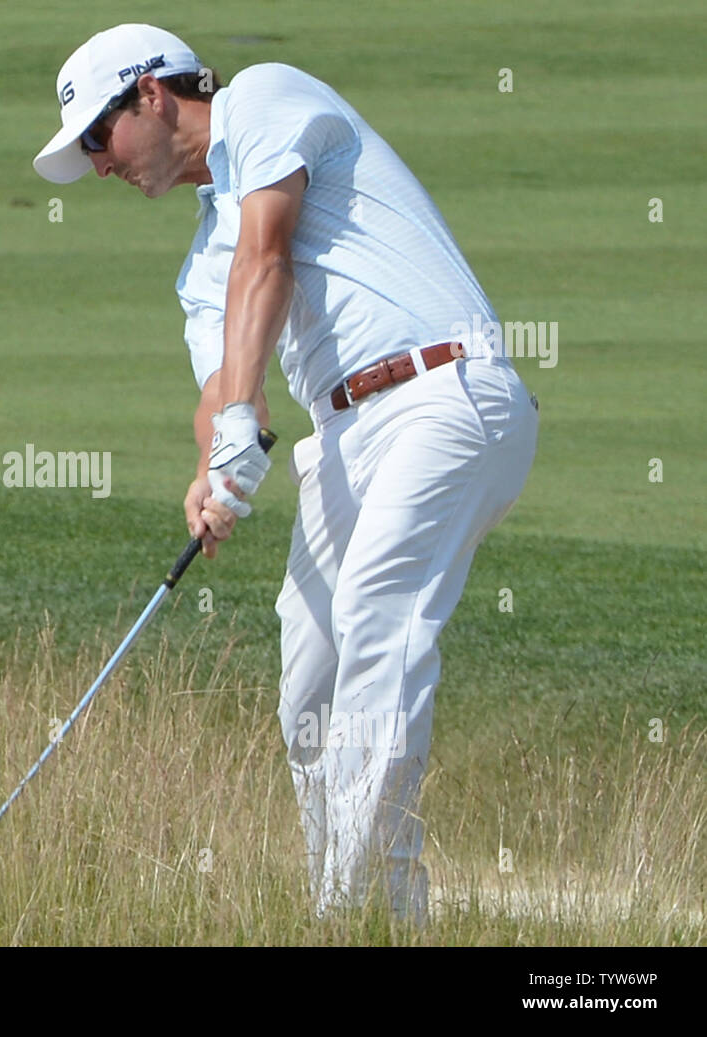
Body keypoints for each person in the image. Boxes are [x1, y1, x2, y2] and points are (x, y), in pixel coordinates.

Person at [33, 23, 538, 925]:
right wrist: (211, 466)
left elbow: (268, 257)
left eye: (98, 138)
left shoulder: (262, 99)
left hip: (445, 392)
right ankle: (389, 918)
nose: (98, 166)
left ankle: (339, 921)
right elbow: (230, 387)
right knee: (309, 680)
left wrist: (237, 424)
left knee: (375, 614)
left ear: (151, 92)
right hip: (347, 436)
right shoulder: (199, 267)